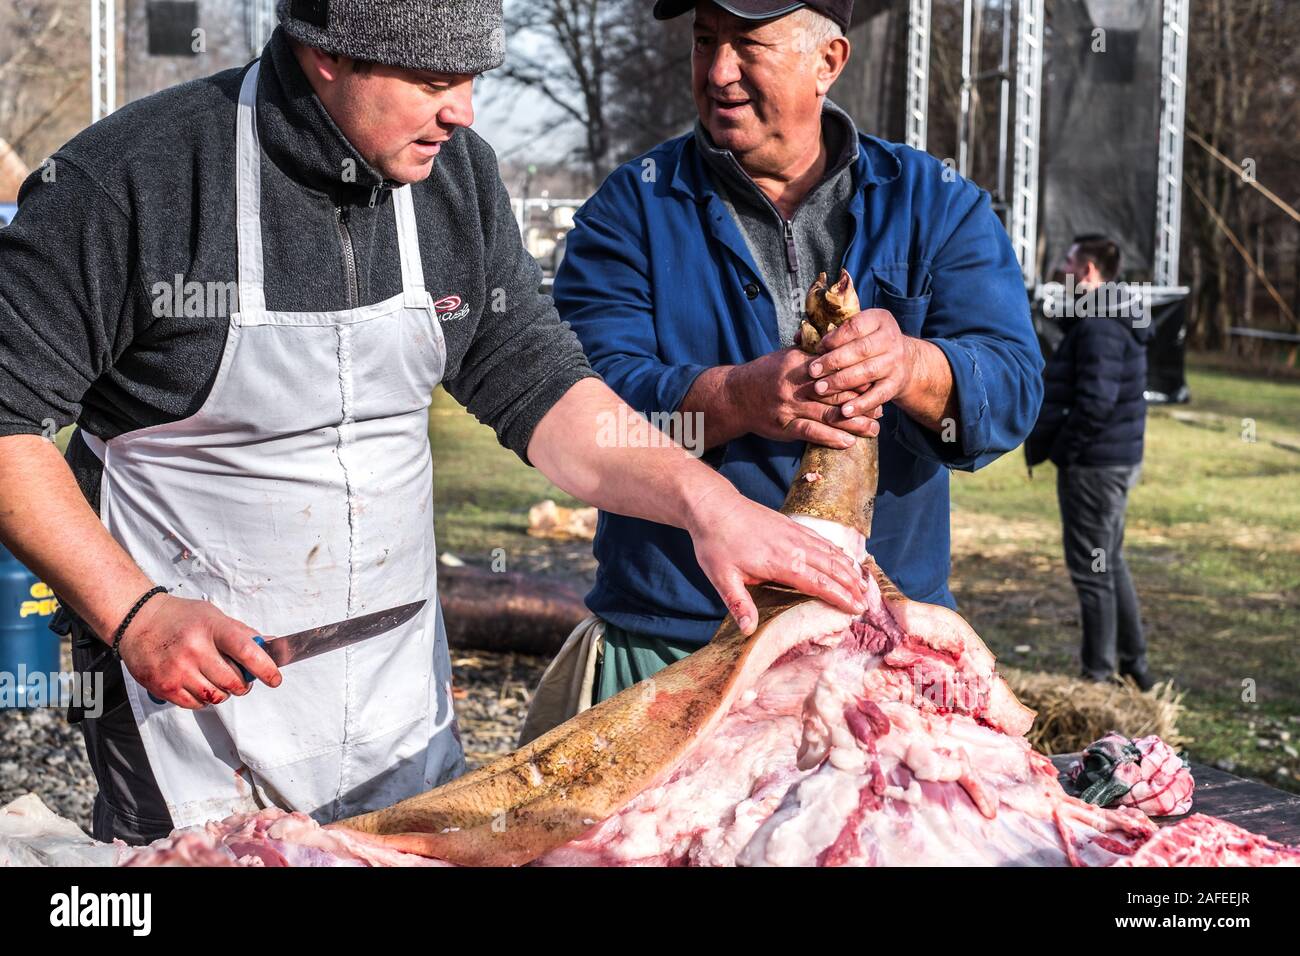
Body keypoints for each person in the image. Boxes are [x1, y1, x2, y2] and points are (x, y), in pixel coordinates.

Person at [0, 0, 869, 843]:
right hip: (189, 709)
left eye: (472, 77)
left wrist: (701, 503)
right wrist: (136, 614)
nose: (463, 110)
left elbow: (543, 387)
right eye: (429, 79)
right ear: (326, 51)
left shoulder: (456, 177)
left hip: (397, 696)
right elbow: (8, 426)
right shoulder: (130, 182)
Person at [518, 0, 1043, 740]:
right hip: (675, 641)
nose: (718, 71)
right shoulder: (631, 209)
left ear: (829, 61)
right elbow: (581, 405)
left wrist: (913, 367)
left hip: (880, 644)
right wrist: (735, 398)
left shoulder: (939, 203)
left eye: (748, 44)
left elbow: (1013, 388)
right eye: (705, 42)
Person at [1026, 235, 1153, 689]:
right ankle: (1134, 666)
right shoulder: (1112, 314)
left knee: (1094, 568)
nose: (1062, 267)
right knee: (1110, 561)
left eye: (1069, 261)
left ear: (1089, 271)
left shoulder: (1100, 323)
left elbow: (1096, 402)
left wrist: (1064, 451)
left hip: (1095, 466)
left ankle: (1099, 677)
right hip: (1109, 460)